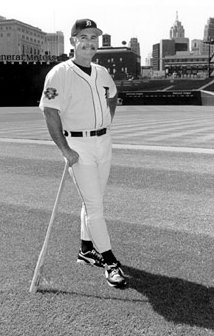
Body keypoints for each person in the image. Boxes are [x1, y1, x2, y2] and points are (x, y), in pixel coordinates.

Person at [39, 18, 126, 288]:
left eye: (94, 38)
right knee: (95, 207)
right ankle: (110, 261)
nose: (90, 42)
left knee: (93, 200)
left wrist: (107, 121)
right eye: (84, 37)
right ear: (73, 41)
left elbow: (112, 95)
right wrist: (65, 150)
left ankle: (86, 251)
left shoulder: (101, 71)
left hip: (103, 141)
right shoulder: (59, 73)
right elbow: (50, 111)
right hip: (78, 146)